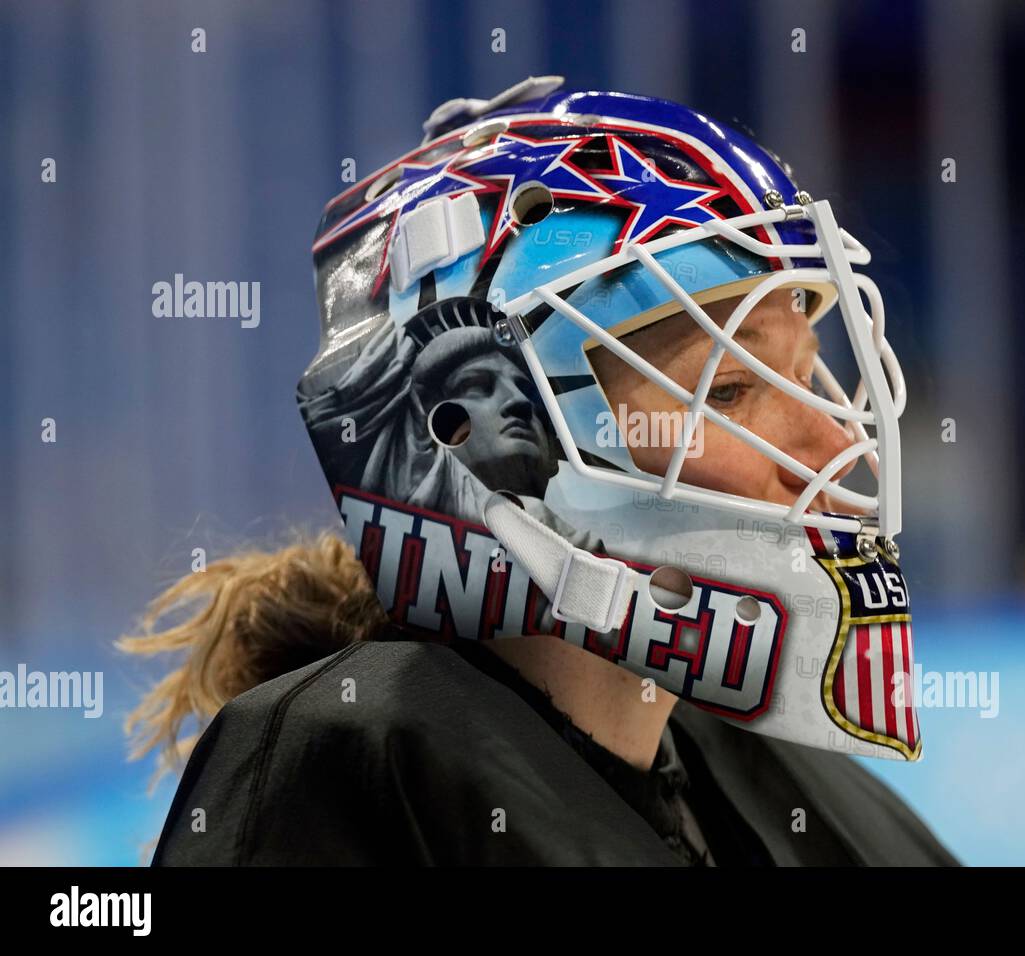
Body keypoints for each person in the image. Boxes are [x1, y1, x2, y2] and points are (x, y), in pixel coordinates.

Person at [121, 77, 959, 866]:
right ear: (470, 434)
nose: (836, 449)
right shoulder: (358, 776)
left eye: (806, 371)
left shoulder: (780, 781)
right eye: (732, 388)